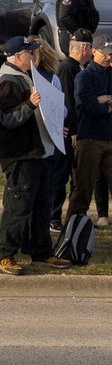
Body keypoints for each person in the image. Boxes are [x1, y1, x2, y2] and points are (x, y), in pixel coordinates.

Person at [0, 36, 68, 275]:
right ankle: (5, 255)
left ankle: (41, 251)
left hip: (38, 153)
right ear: (17, 57)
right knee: (18, 207)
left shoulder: (26, 77)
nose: (33, 55)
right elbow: (6, 119)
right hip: (21, 155)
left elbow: (39, 115)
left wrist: (56, 125)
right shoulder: (8, 82)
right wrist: (29, 104)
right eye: (29, 52)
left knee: (40, 207)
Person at [69, 34, 112, 229]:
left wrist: (104, 99)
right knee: (84, 188)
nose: (109, 57)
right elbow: (87, 106)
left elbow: (95, 102)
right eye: (106, 53)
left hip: (109, 136)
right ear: (94, 51)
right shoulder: (84, 76)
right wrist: (104, 104)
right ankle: (74, 225)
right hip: (89, 139)